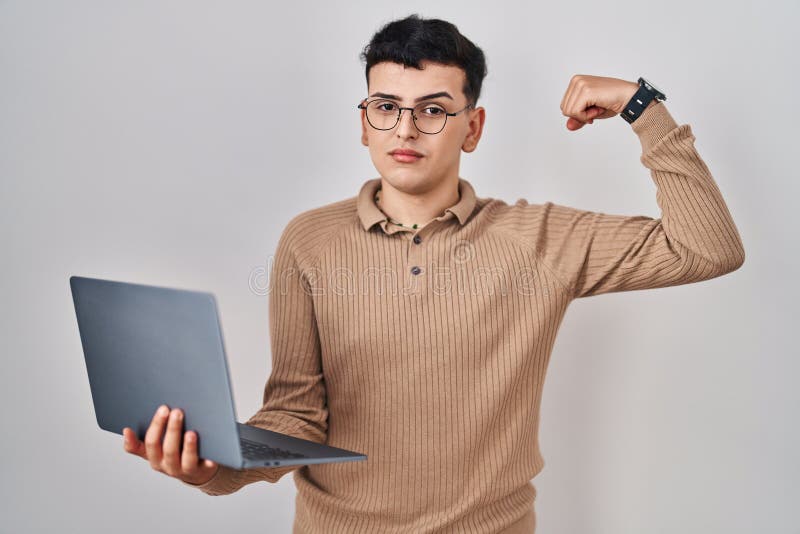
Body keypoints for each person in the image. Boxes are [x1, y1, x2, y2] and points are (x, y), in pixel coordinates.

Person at [122, 13, 745, 533]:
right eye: (386, 106)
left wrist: (645, 109)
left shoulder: (543, 238)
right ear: (363, 120)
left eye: (434, 110)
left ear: (472, 127)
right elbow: (295, 416)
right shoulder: (308, 240)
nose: (407, 129)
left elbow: (706, 248)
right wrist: (211, 469)